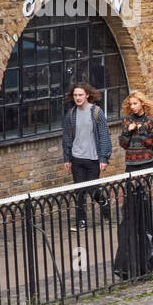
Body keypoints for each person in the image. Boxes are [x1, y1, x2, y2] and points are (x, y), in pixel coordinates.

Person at [114, 91, 153, 279]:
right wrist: (129, 131)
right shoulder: (127, 121)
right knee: (131, 197)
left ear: (142, 104)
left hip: (146, 162)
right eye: (130, 104)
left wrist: (140, 131)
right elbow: (123, 143)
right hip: (131, 163)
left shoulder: (150, 121)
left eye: (135, 103)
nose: (132, 107)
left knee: (144, 196)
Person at [61, 81, 112, 230]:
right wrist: (67, 157)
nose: (78, 97)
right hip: (77, 158)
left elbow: (104, 136)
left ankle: (103, 202)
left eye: (81, 95)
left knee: (92, 189)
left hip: (93, 158)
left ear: (87, 95)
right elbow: (67, 137)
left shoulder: (97, 112)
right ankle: (81, 221)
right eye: (75, 95)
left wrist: (104, 158)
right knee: (79, 192)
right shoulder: (71, 114)